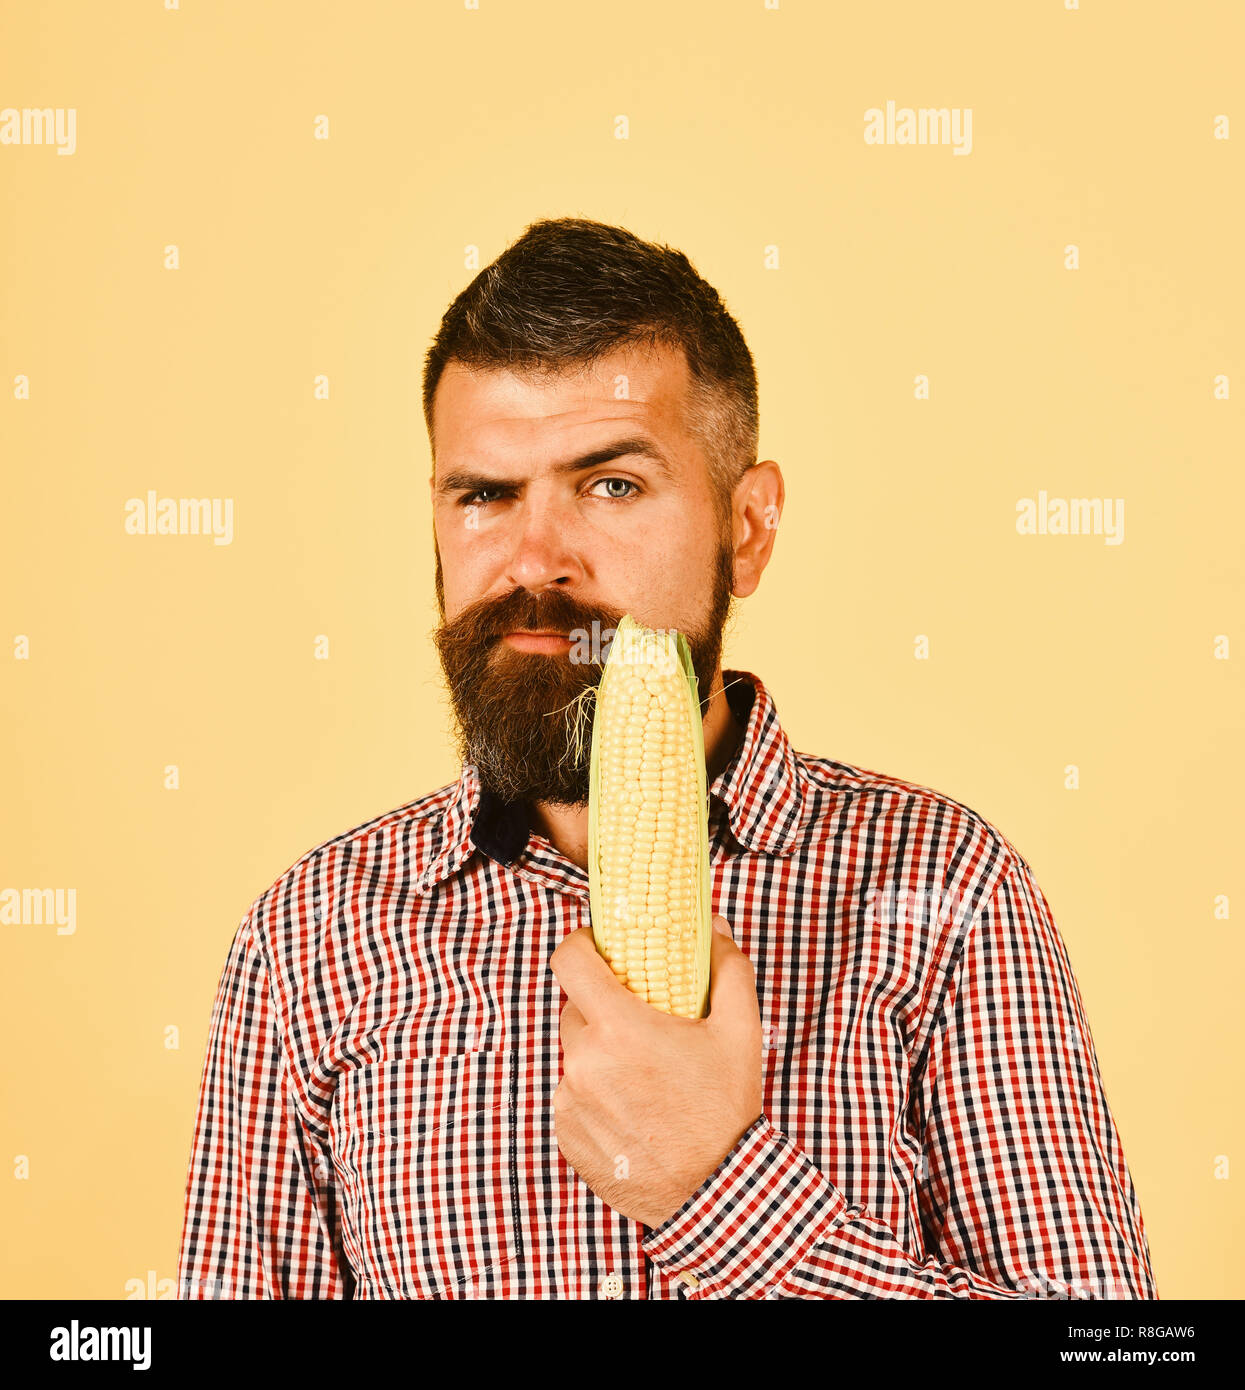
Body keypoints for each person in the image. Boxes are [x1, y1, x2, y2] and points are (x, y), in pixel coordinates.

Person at [176, 217, 1157, 1300]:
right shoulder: (307, 942)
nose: (535, 559)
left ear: (748, 527)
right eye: (485, 495)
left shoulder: (945, 891)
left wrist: (724, 1192)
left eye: (612, 485)